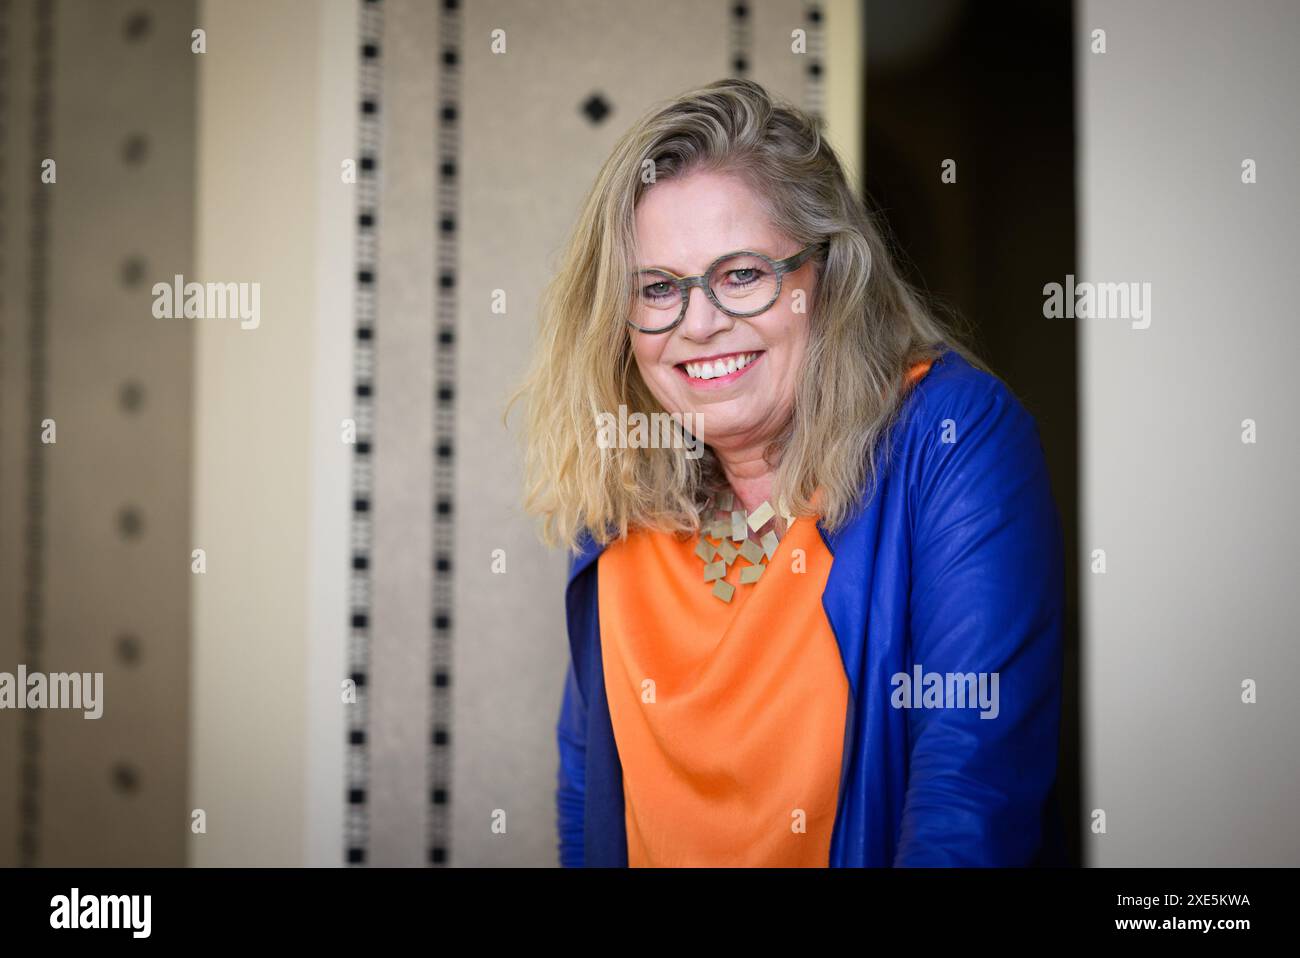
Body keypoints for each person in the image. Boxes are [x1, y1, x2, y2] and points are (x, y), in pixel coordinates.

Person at [511, 77, 1066, 867]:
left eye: (741, 275)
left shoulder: (953, 438)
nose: (699, 325)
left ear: (828, 275)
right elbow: (586, 799)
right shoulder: (623, 486)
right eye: (659, 289)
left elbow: (968, 804)